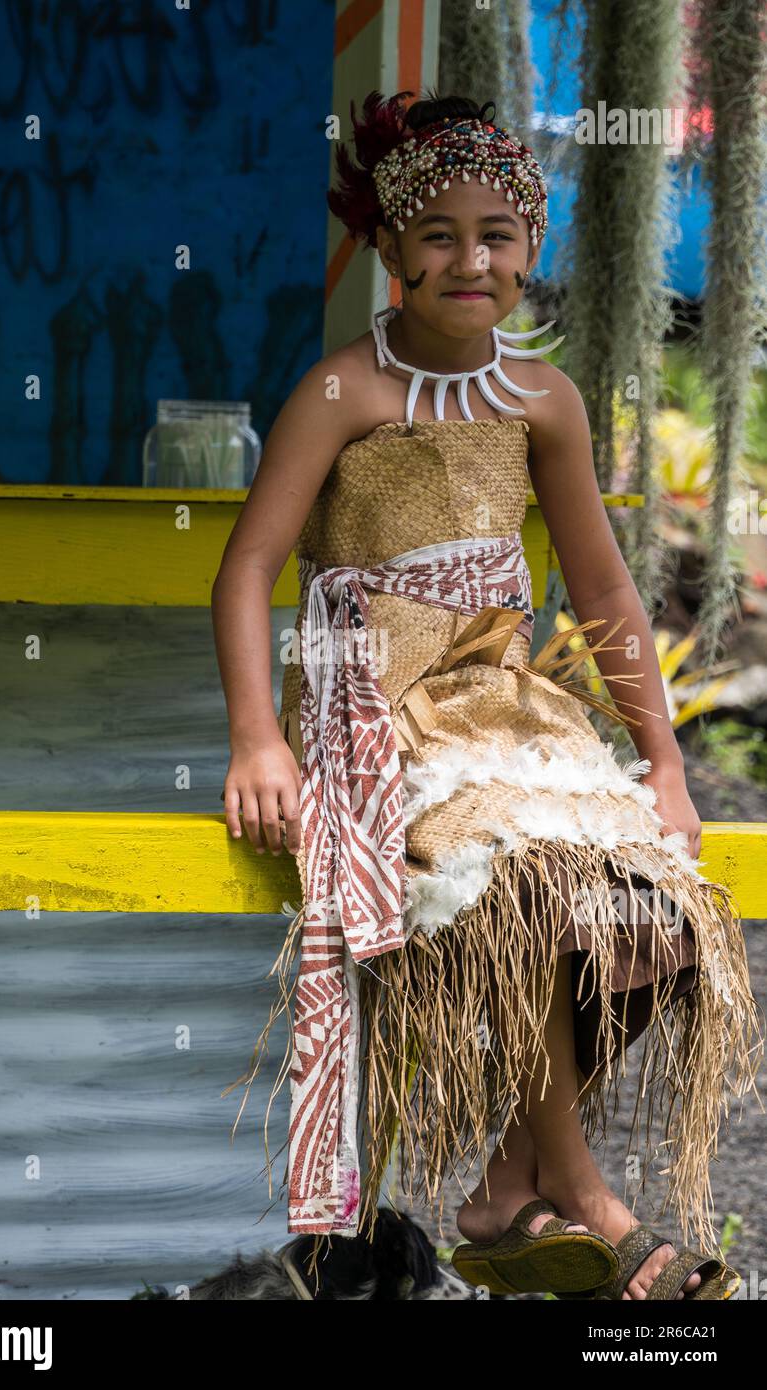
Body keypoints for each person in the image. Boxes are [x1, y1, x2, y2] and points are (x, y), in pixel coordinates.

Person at [212, 89, 764, 1300]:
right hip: (379, 707)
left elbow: (609, 597)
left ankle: (509, 1186)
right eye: (439, 236)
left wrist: (662, 764)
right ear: (389, 254)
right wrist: (260, 736)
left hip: (503, 704)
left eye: (498, 234)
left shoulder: (542, 402)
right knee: (517, 878)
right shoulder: (339, 394)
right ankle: (588, 1200)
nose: (471, 260)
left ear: (532, 247)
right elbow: (247, 566)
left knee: (650, 910)